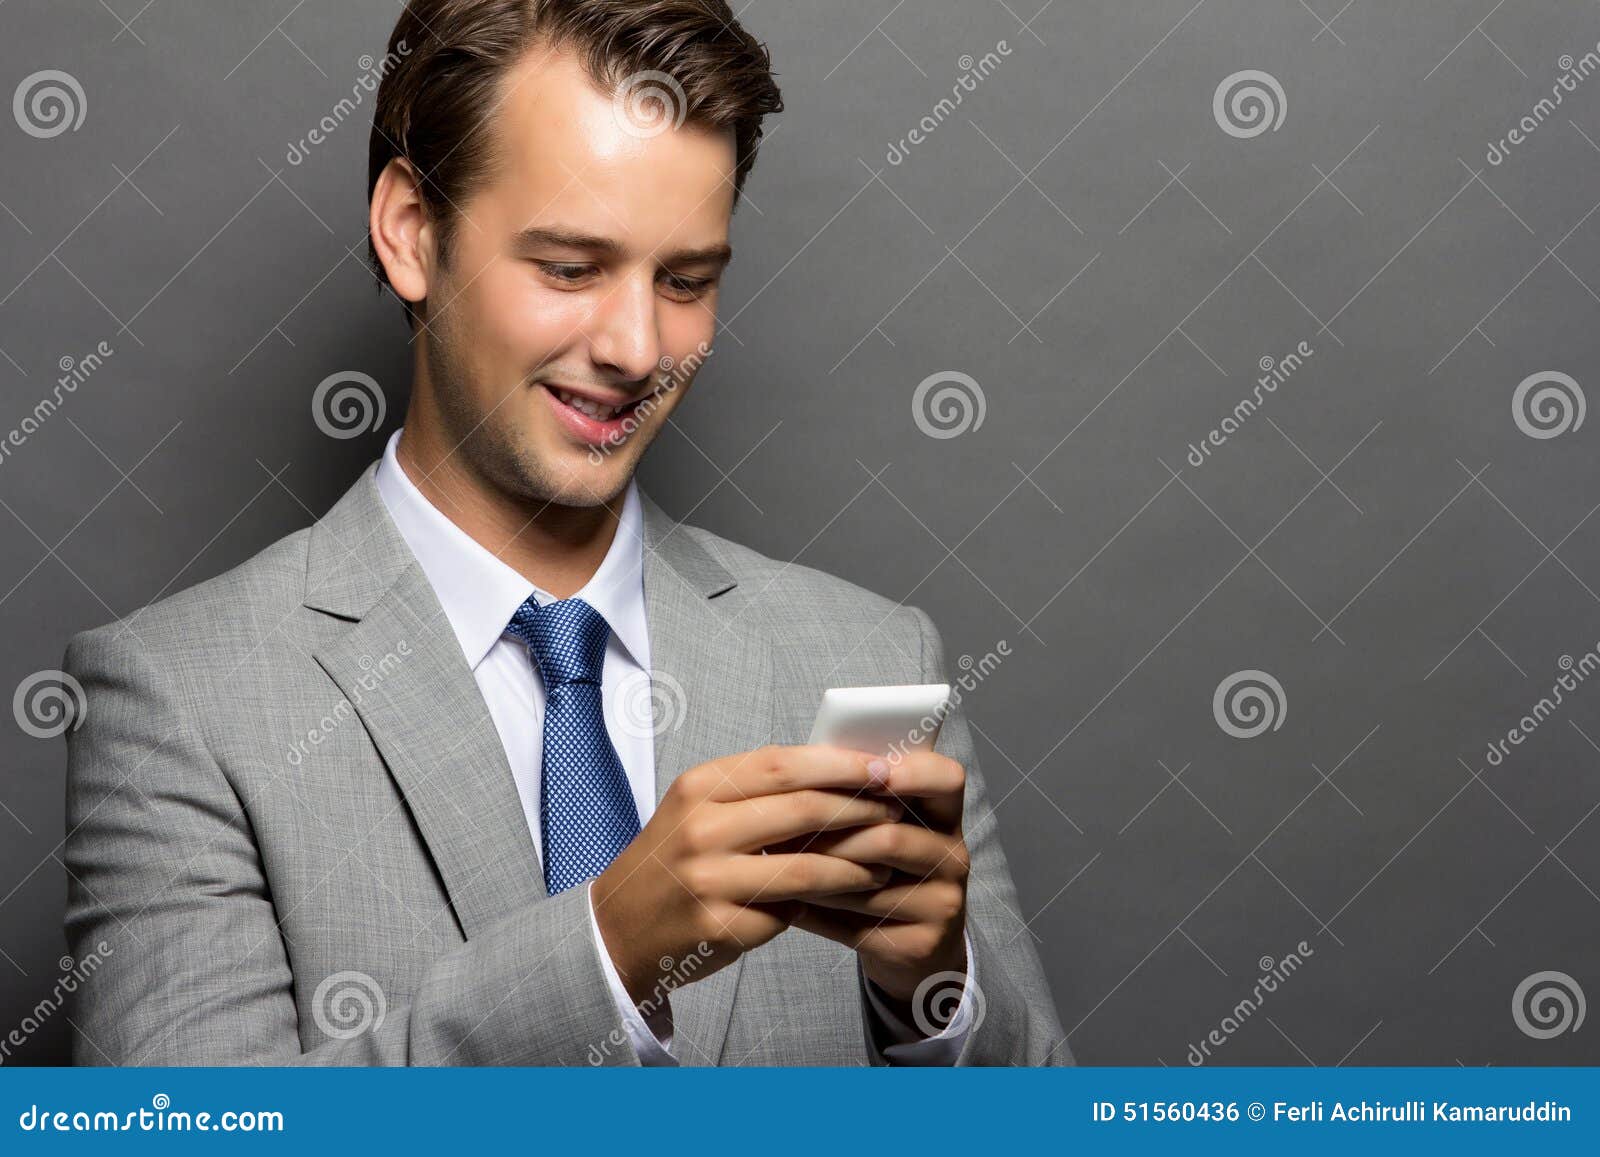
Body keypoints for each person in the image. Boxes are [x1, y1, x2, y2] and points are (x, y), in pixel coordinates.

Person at [61, 0, 1070, 1066]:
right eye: (569, 267)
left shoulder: (868, 656)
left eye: (685, 280)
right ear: (410, 231)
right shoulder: (180, 698)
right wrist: (607, 951)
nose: (638, 348)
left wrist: (931, 996)